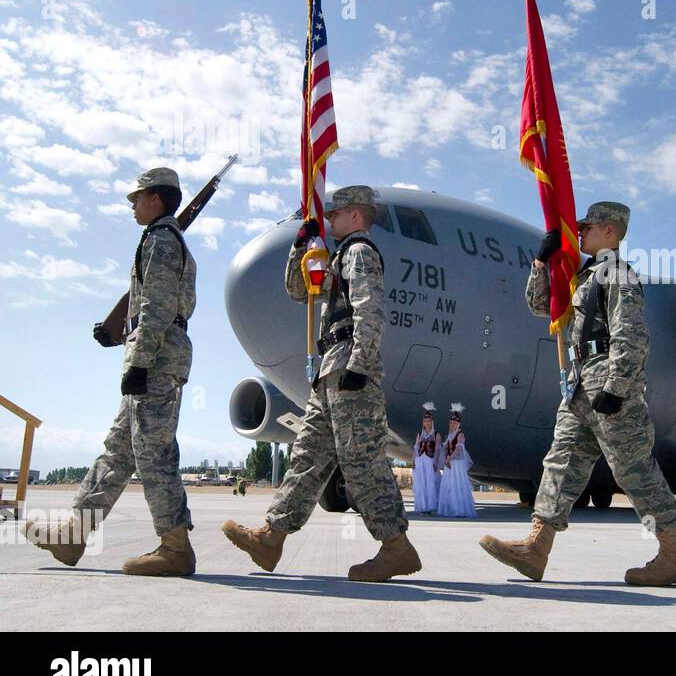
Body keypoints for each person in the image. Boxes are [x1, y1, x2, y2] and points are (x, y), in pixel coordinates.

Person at [479, 202, 676, 586]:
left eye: (588, 226)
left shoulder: (618, 275)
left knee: (634, 470)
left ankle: (674, 554)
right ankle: (536, 547)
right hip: (580, 380)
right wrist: (539, 265)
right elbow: (539, 307)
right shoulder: (585, 275)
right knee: (561, 463)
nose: (579, 232)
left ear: (611, 231)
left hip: (607, 380)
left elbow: (631, 335)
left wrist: (617, 387)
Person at [221, 185, 421, 582]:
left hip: (349, 365)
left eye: (336, 214)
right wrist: (301, 244)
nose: (330, 219)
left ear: (358, 215)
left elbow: (370, 312)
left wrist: (360, 366)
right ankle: (271, 537)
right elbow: (300, 292)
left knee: (360, 460)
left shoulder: (361, 252)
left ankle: (396, 549)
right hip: (330, 367)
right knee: (308, 457)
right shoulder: (341, 255)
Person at [32, 168, 197, 576]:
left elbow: (158, 308)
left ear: (156, 199)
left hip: (155, 361)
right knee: (119, 450)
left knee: (153, 454)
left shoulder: (161, 240)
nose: (132, 204)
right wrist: (121, 336)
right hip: (154, 355)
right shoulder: (160, 238)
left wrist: (139, 362)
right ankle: (75, 533)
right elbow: (152, 308)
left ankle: (175, 548)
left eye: (137, 198)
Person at [437, 408, 476, 518]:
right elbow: (445, 448)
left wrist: (449, 459)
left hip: (457, 464)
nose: (452, 425)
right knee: (448, 486)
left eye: (454, 423)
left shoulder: (460, 434)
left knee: (457, 485)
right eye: (451, 423)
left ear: (458, 424)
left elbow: (459, 449)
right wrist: (445, 458)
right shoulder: (449, 435)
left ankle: (459, 510)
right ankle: (450, 509)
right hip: (449, 464)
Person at [412, 408, 441, 515]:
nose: (427, 423)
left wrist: (436, 462)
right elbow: (416, 447)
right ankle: (422, 506)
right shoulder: (420, 434)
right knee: (421, 483)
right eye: (425, 421)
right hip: (420, 460)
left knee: (430, 483)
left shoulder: (436, 434)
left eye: (428, 421)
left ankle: (430, 506)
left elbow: (438, 449)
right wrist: (414, 460)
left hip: (430, 460)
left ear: (432, 422)